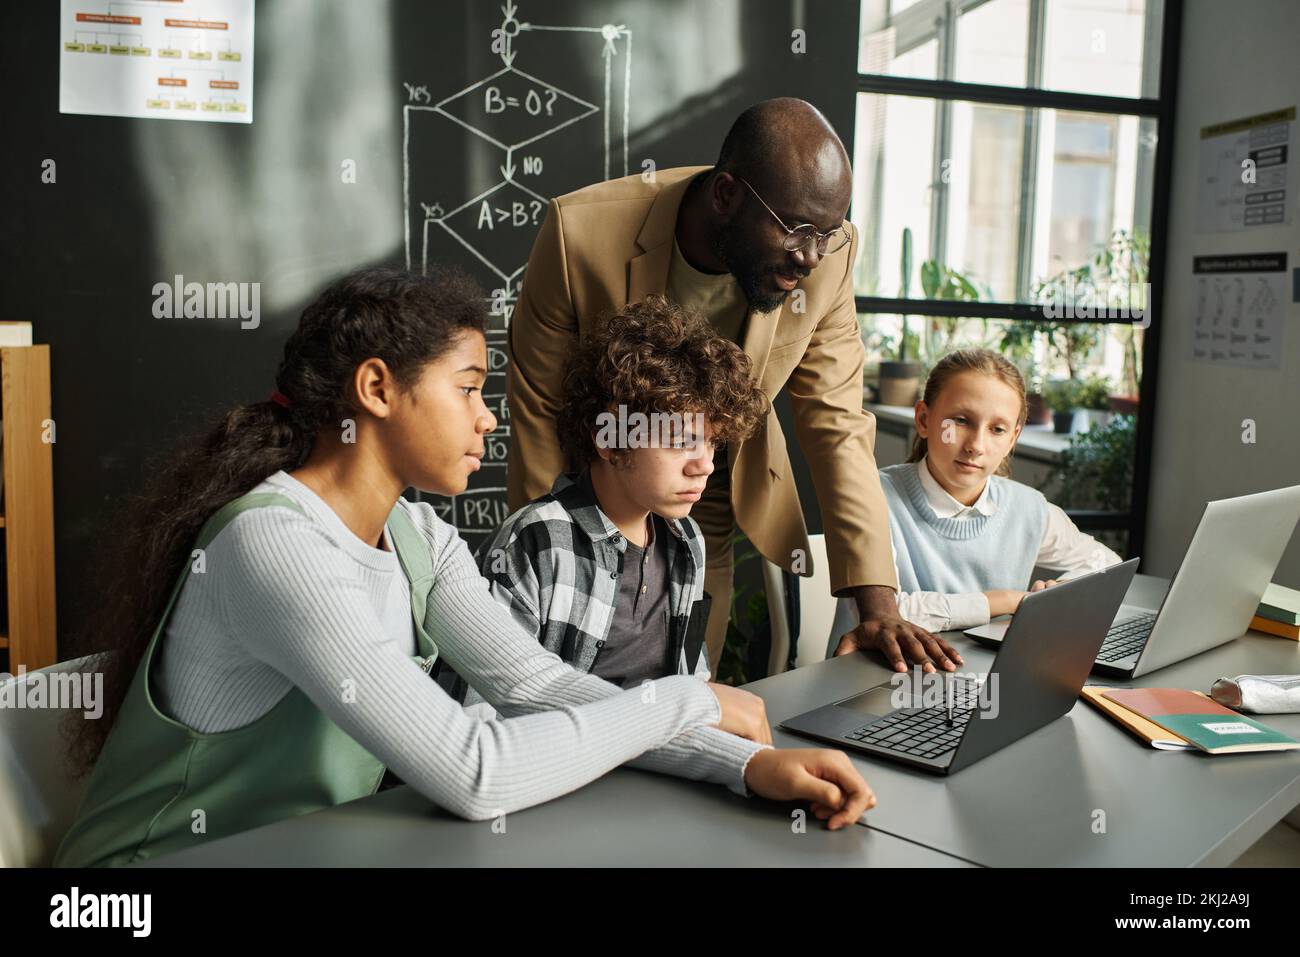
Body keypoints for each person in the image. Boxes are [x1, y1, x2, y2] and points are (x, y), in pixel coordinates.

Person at [55, 266, 874, 867]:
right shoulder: (274, 546)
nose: (489, 419)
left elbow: (539, 684)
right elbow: (474, 769)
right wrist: (687, 698)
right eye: (469, 388)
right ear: (377, 388)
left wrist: (746, 764)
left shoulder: (416, 534)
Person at [507, 97, 962, 677]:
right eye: (797, 230)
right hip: (600, 472)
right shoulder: (581, 234)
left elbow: (837, 424)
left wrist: (878, 605)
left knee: (686, 677)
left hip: (711, 489)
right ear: (726, 195)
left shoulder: (828, 257)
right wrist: (548, 559)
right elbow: (542, 415)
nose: (811, 256)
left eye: (827, 232)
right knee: (568, 667)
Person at [460, 296, 767, 733]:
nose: (705, 465)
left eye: (713, 443)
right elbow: (482, 716)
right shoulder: (535, 544)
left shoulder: (687, 541)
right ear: (609, 437)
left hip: (664, 764)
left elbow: (691, 684)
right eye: (681, 441)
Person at [868, 348, 1123, 638]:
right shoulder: (875, 497)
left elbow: (1106, 564)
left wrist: (1061, 593)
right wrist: (1003, 601)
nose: (976, 445)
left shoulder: (1027, 507)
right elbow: (884, 613)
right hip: (878, 676)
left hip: (979, 676)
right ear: (924, 420)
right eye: (961, 421)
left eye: (997, 429)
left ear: (1013, 438)